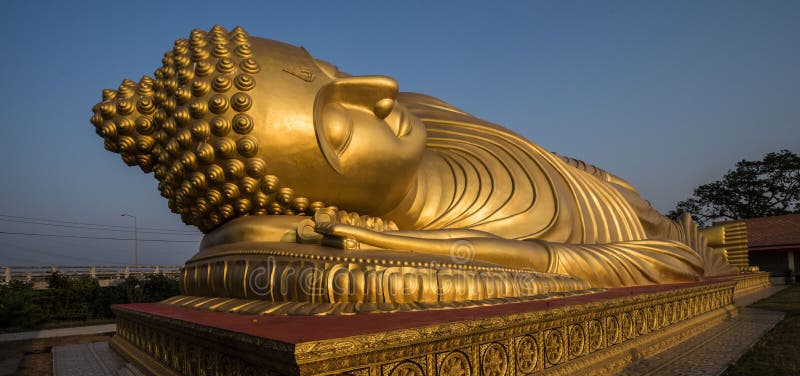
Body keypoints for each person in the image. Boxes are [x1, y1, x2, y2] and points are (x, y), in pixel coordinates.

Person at [92, 25, 735, 289]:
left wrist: (602, 184)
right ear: (322, 203)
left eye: (328, 70)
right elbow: (664, 264)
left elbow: (553, 162)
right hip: (612, 241)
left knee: (629, 193)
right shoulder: (398, 237)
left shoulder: (422, 107)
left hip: (605, 190)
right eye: (337, 132)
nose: (379, 90)